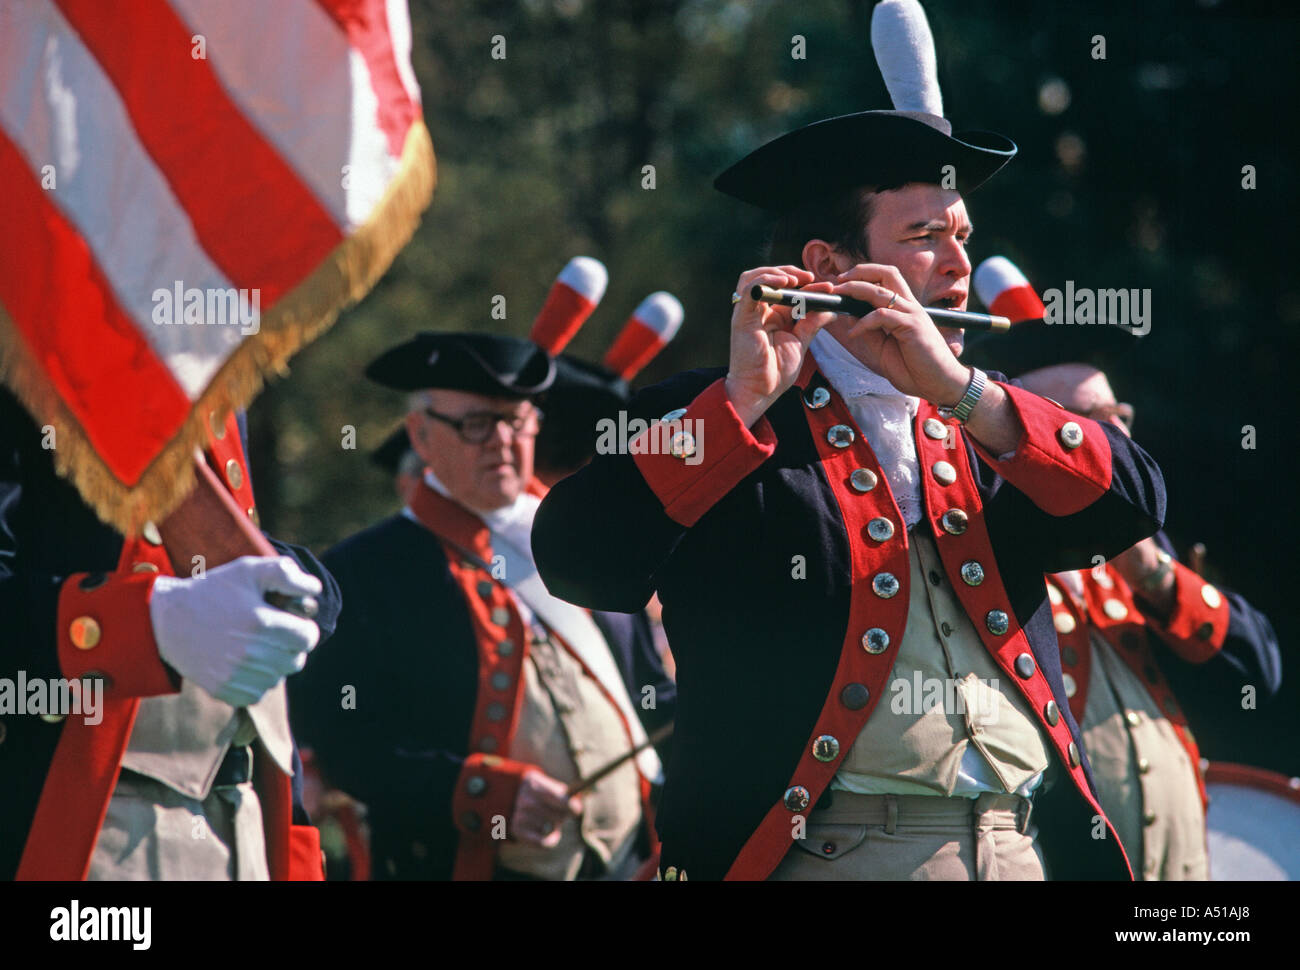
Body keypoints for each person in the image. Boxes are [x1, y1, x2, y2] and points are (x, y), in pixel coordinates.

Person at [530, 0, 1166, 880]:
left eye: (963, 238)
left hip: (1018, 848)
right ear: (831, 269)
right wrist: (740, 404)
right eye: (925, 237)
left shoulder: (988, 414)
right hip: (825, 855)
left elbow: (1134, 501)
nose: (959, 268)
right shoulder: (712, 410)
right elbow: (578, 556)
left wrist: (961, 392)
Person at [290, 332, 675, 880]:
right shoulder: (362, 573)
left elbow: (650, 695)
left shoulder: (585, 546)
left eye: (515, 419)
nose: (501, 440)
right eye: (476, 424)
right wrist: (481, 793)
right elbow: (346, 747)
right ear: (420, 436)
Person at [967, 255, 1282, 880]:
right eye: (1087, 425)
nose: (1118, 443)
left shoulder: (1147, 549)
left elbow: (1260, 670)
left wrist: (1156, 579)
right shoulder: (980, 549)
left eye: (1119, 417)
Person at [0, 386, 340, 880]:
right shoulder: (19, 351)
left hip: (240, 817)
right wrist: (149, 622)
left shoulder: (206, 367)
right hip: (82, 827)